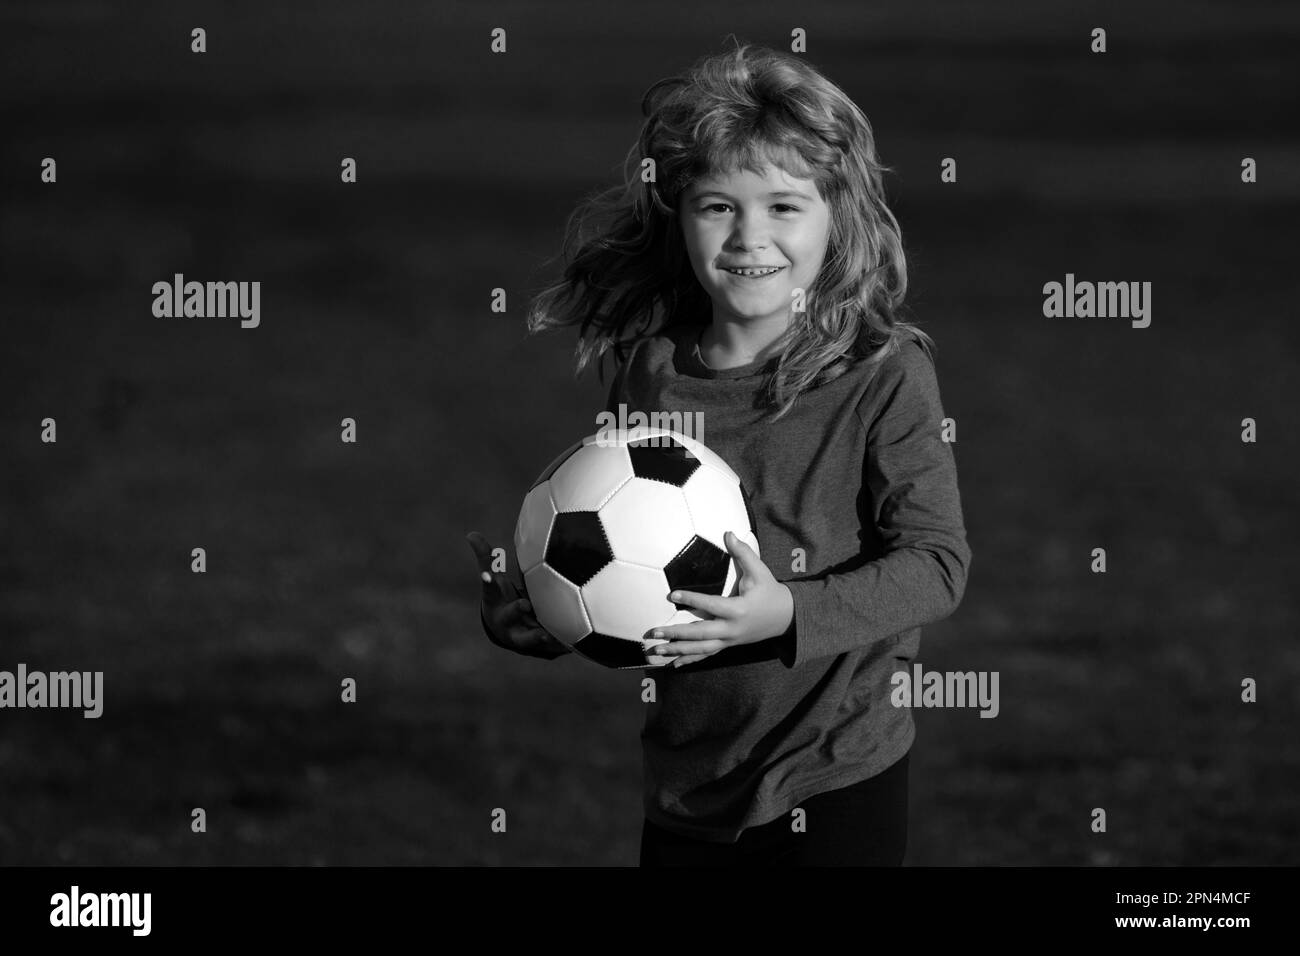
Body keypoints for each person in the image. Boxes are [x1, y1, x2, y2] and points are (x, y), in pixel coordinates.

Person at [466, 39, 971, 866]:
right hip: (687, 782)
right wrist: (546, 615)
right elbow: (625, 563)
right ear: (681, 214)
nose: (749, 237)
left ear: (837, 216)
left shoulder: (882, 375)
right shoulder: (653, 370)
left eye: (783, 206)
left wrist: (789, 616)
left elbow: (937, 564)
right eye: (718, 207)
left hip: (837, 769)